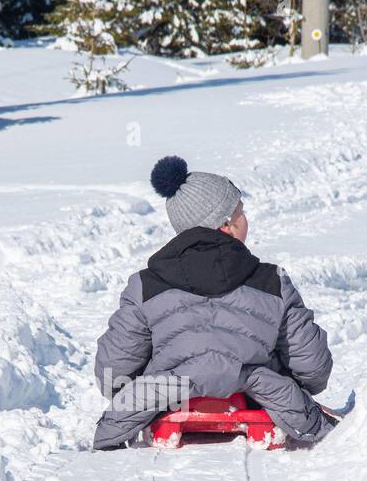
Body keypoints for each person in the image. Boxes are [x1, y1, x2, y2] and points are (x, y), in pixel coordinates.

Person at [92, 155, 336, 450]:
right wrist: (287, 382)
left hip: (169, 397)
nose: (246, 220)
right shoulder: (272, 281)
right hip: (258, 394)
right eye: (241, 212)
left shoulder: (145, 285)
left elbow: (113, 373)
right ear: (226, 224)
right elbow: (313, 368)